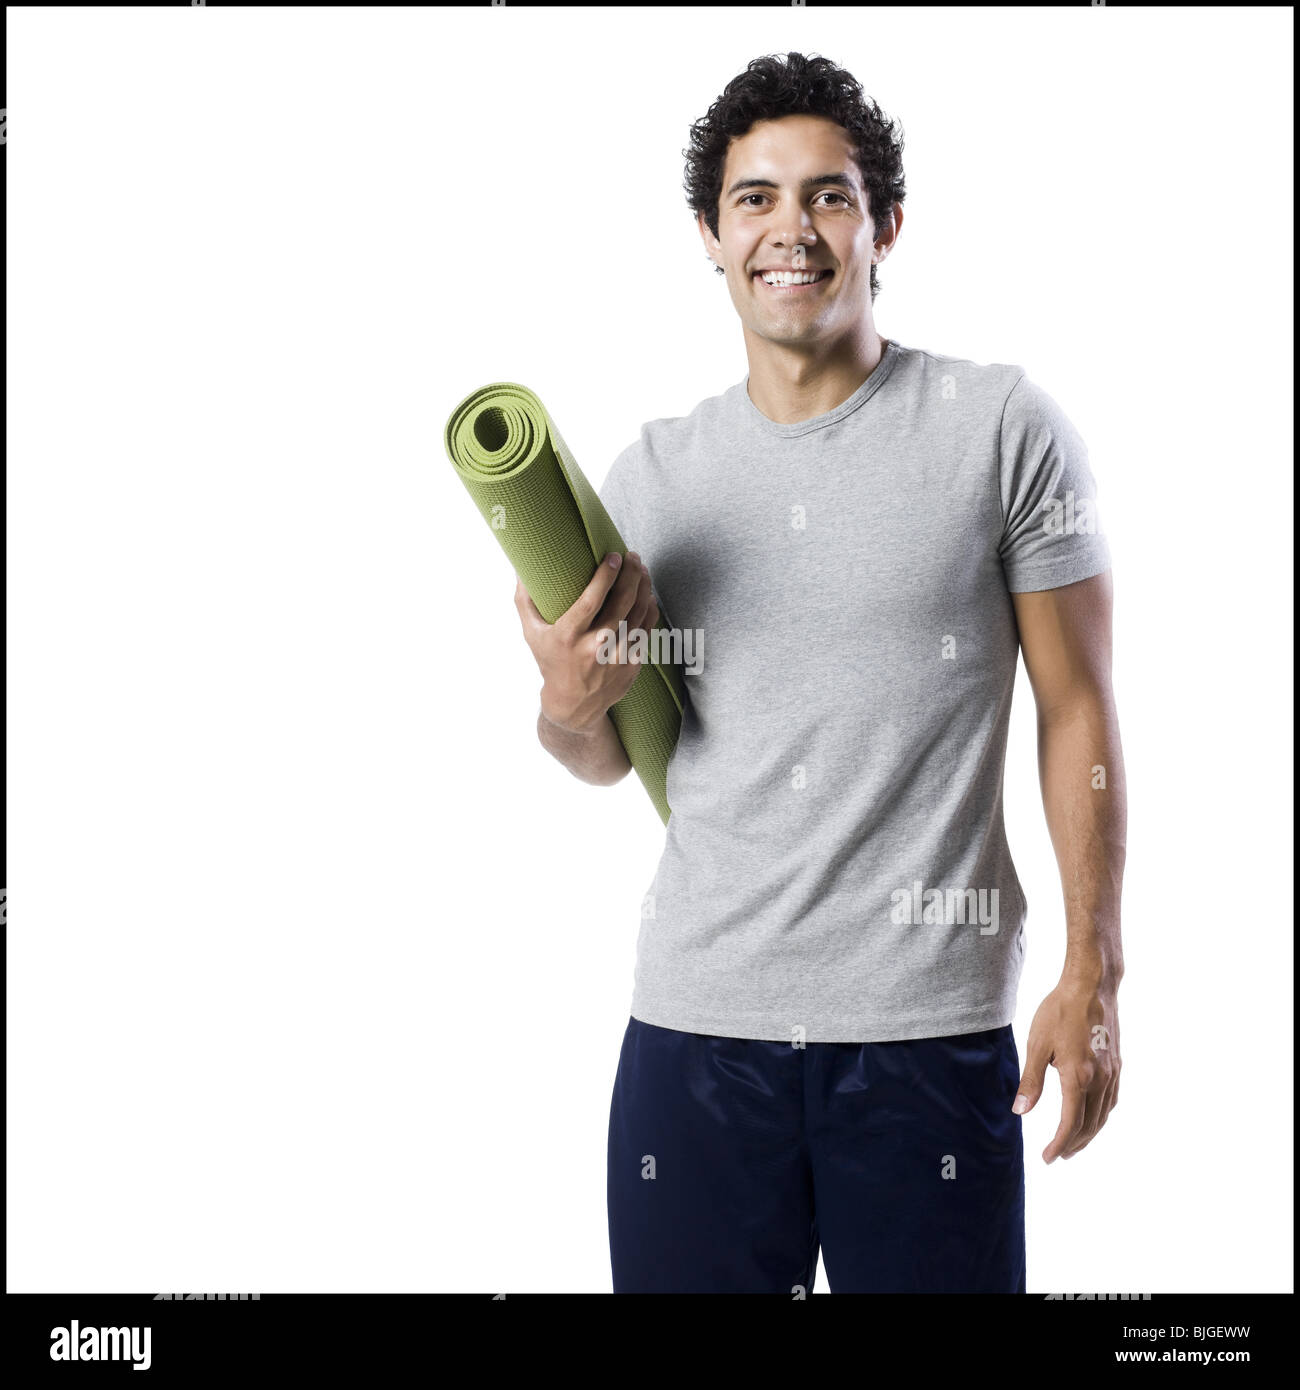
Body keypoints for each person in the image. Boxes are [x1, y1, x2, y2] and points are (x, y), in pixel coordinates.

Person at [513, 51, 1125, 1294]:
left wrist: (1091, 970)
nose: (789, 230)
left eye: (828, 196)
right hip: (694, 1033)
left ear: (884, 223)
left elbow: (1078, 708)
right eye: (754, 199)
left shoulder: (999, 428)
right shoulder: (651, 477)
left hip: (928, 1035)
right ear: (708, 232)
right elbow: (598, 746)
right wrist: (564, 705)